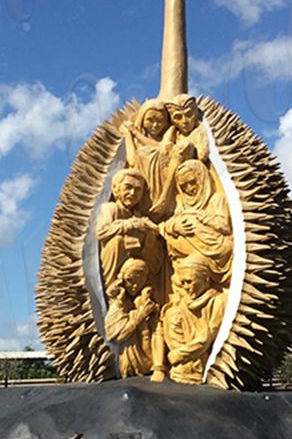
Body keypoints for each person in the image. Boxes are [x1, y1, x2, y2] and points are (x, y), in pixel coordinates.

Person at [154, 254, 226, 384]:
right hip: (179, 371)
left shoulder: (219, 301)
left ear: (206, 279)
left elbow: (209, 335)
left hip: (200, 368)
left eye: (189, 281)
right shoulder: (181, 304)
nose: (186, 287)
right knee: (171, 313)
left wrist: (180, 354)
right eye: (182, 283)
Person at [162, 159, 233, 286]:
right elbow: (166, 225)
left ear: (202, 178)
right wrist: (175, 227)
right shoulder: (182, 203)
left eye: (192, 182)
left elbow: (225, 227)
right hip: (192, 252)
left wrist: (204, 217)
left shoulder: (216, 199)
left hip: (217, 250)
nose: (190, 189)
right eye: (184, 186)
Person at [95, 168, 164, 296]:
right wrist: (129, 225)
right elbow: (101, 232)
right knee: (117, 242)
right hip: (116, 260)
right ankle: (112, 288)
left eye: (138, 190)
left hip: (136, 264)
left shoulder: (138, 214)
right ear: (116, 189)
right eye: (128, 187)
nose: (132, 193)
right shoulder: (111, 208)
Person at [121, 99, 193, 220]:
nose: (155, 125)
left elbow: (162, 149)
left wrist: (136, 133)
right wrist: (129, 136)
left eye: (160, 121)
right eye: (150, 120)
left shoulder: (168, 138)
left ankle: (165, 199)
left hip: (168, 194)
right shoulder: (136, 144)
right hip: (146, 196)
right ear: (142, 118)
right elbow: (132, 161)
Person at [104, 259, 160, 377]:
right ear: (123, 280)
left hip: (146, 358)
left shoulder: (139, 300)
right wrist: (140, 316)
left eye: (140, 282)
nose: (135, 286)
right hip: (130, 361)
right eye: (131, 281)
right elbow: (118, 336)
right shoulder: (118, 304)